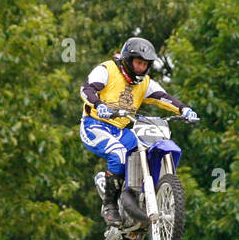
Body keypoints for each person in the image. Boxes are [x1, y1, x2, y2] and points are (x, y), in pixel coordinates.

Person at [79, 36, 199, 226]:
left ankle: (135, 194)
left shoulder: (144, 83)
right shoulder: (106, 70)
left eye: (145, 64)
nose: (141, 68)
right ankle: (109, 205)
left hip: (121, 130)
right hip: (95, 125)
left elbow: (163, 97)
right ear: (127, 60)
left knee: (145, 148)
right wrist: (98, 104)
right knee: (117, 153)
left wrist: (184, 109)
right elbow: (86, 89)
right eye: (138, 62)